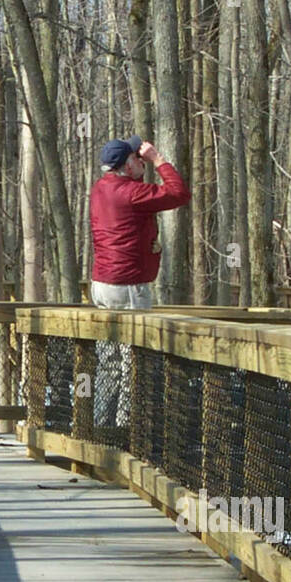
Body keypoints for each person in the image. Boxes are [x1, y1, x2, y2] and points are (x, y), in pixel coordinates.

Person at [88, 135, 190, 426]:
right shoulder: (131, 192)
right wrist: (159, 161)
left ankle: (101, 427)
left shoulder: (100, 189)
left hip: (102, 285)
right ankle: (125, 430)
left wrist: (148, 243)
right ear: (126, 165)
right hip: (127, 288)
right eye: (137, 158)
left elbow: (124, 226)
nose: (141, 161)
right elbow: (179, 194)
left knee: (109, 362)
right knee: (134, 361)